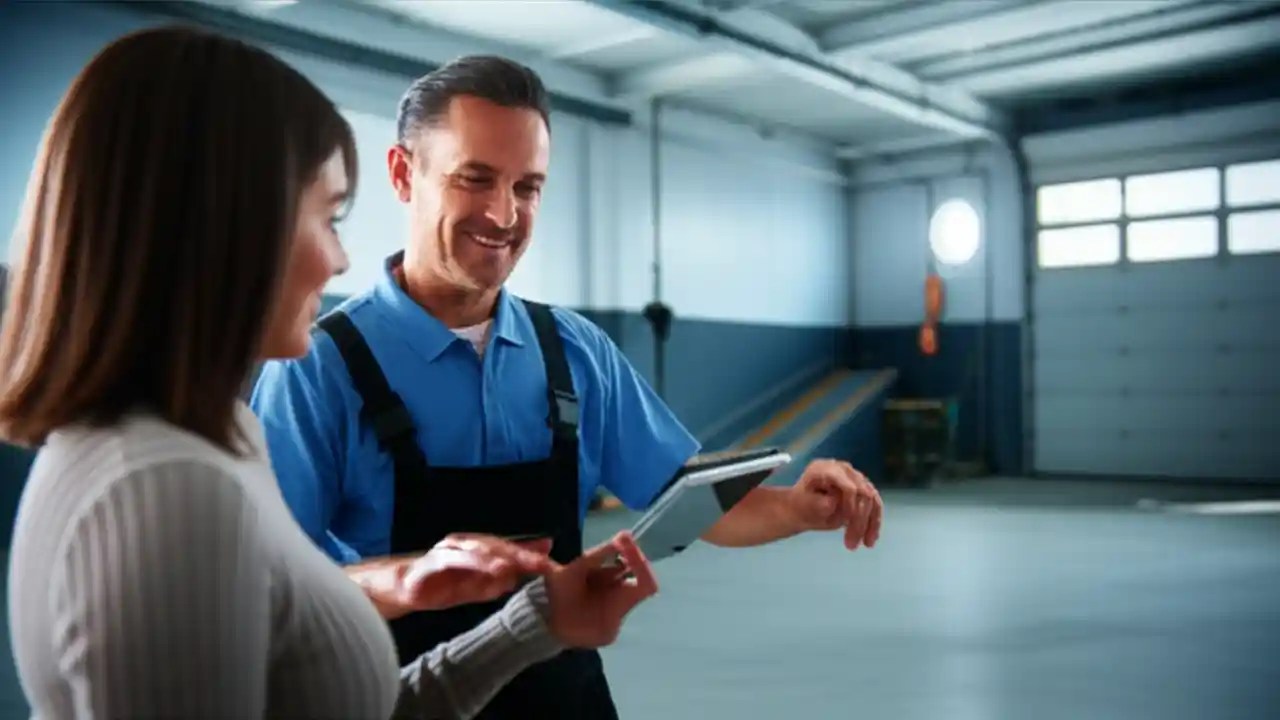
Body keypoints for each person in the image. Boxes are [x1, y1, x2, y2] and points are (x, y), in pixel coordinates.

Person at [0, 26, 659, 720]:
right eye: (327, 215)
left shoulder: (217, 440)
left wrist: (530, 624)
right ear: (228, 232)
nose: (340, 260)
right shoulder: (164, 493)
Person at [250, 55, 885, 718]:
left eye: (527, 188)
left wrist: (801, 507)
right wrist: (408, 580)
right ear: (404, 174)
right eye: (476, 179)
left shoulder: (575, 353)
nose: (503, 214)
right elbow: (276, 589)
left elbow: (687, 500)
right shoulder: (316, 367)